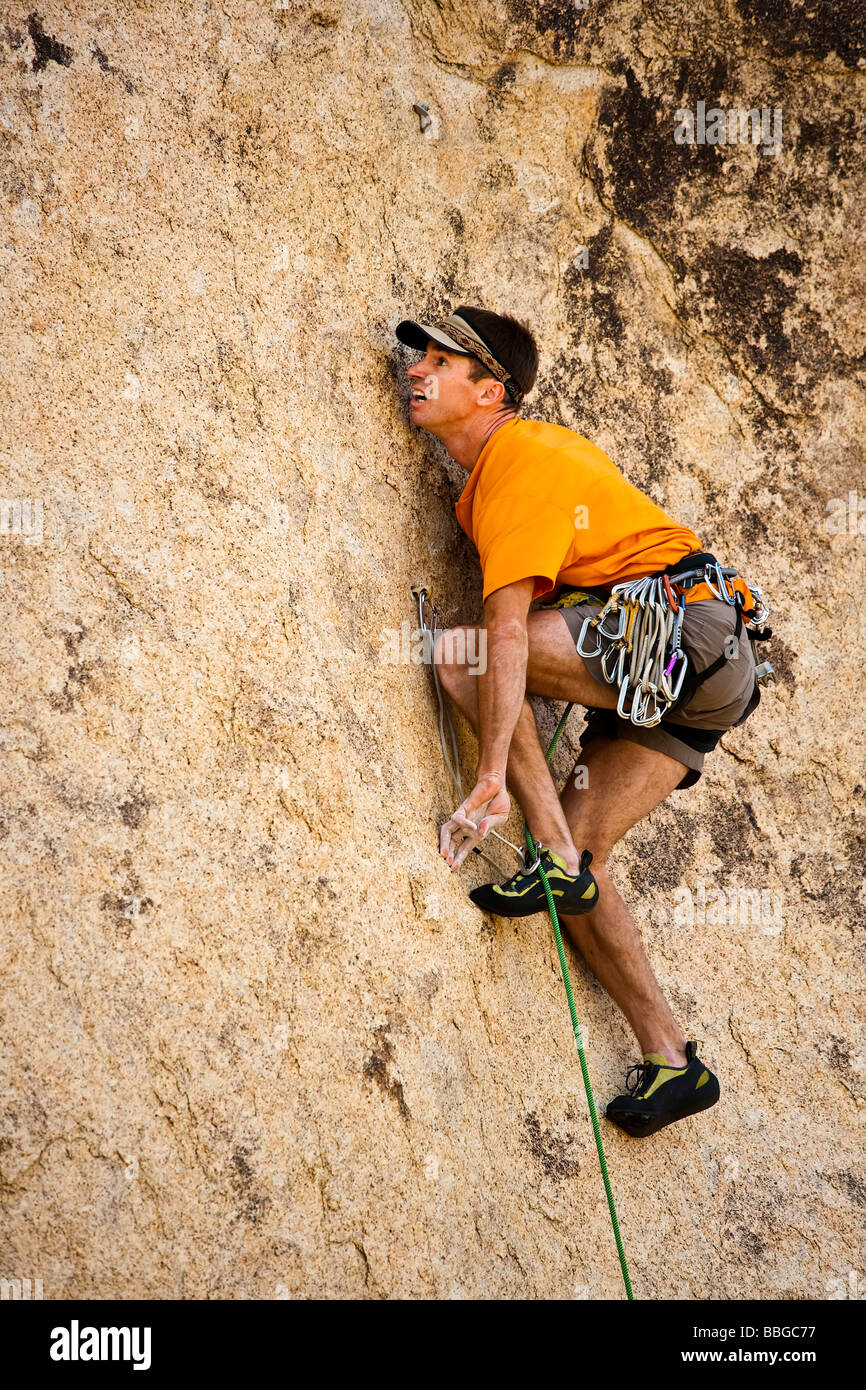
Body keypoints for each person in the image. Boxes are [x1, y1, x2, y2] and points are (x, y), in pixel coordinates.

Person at [396, 304, 767, 1137]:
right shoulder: (503, 474)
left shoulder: (518, 455)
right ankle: (674, 1060)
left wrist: (492, 774)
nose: (416, 370)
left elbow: (501, 633)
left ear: (491, 390)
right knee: (576, 867)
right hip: (706, 667)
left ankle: (553, 851)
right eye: (416, 357)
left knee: (462, 655)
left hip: (677, 632)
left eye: (440, 363)